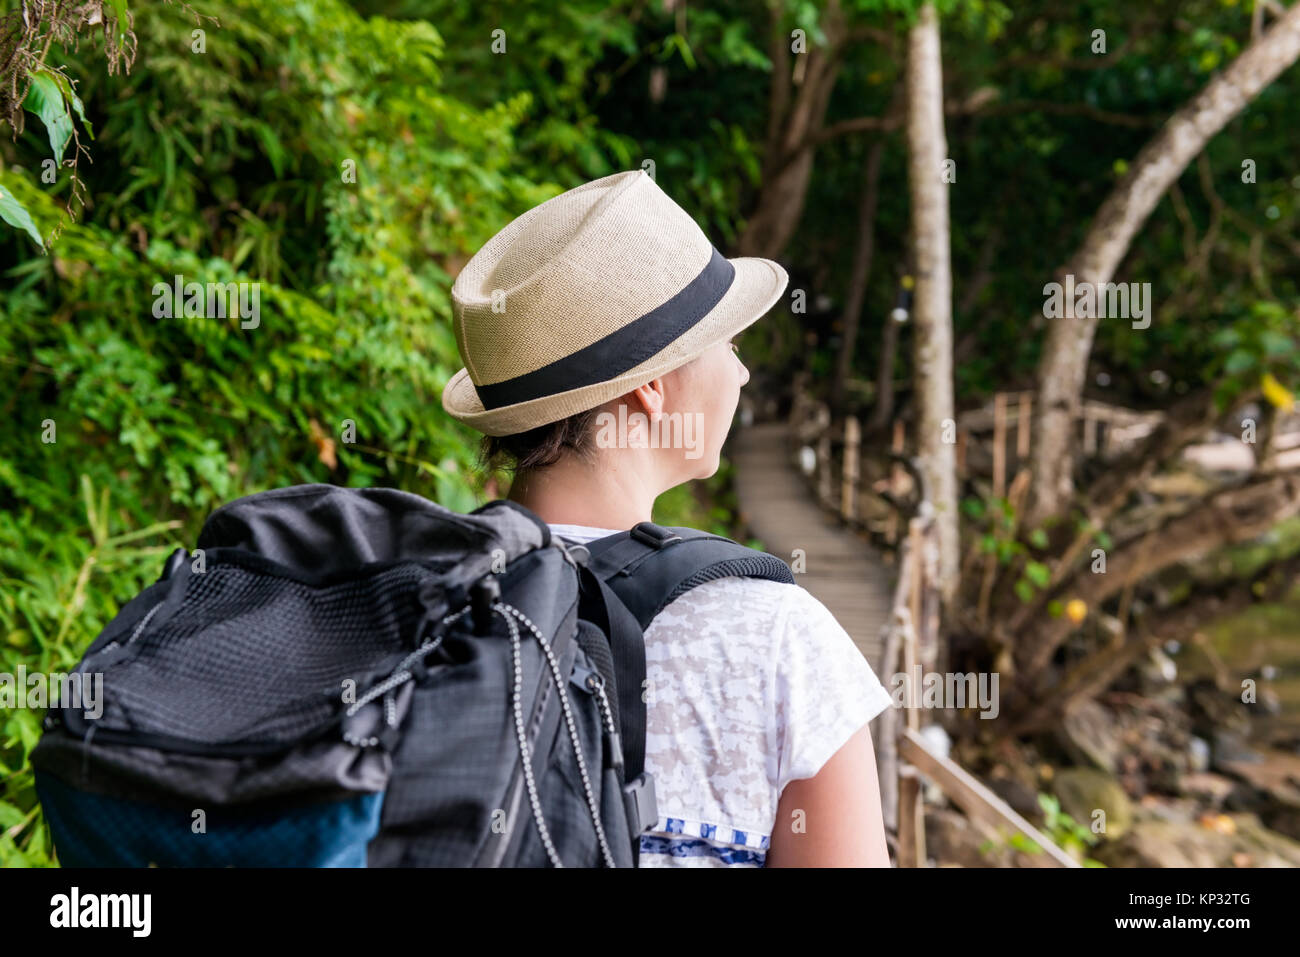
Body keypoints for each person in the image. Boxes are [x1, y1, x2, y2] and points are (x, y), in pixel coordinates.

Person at [441, 169, 894, 867]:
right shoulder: (778, 640)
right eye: (729, 343)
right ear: (652, 386)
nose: (741, 374)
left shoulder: (418, 601)